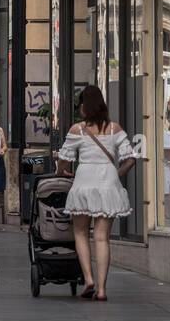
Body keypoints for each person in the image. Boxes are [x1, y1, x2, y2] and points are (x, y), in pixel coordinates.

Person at [57, 84, 136, 301]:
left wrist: (62, 171)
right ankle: (101, 289)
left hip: (84, 182)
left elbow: (64, 159)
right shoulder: (114, 129)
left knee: (80, 233)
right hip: (108, 184)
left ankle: (89, 279)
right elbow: (131, 159)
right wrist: (115, 174)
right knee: (102, 238)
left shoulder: (77, 130)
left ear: (84, 107)